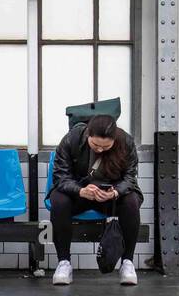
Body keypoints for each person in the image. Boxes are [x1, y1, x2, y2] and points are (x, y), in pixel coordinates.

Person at [47, 113, 142, 286]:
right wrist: (80, 190)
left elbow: (130, 178)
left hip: (109, 196)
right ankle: (64, 263)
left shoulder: (126, 142)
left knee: (131, 201)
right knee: (59, 200)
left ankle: (127, 262)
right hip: (80, 194)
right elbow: (60, 177)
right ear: (88, 134)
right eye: (95, 145)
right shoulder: (72, 139)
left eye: (106, 147)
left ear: (114, 139)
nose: (99, 150)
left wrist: (115, 193)